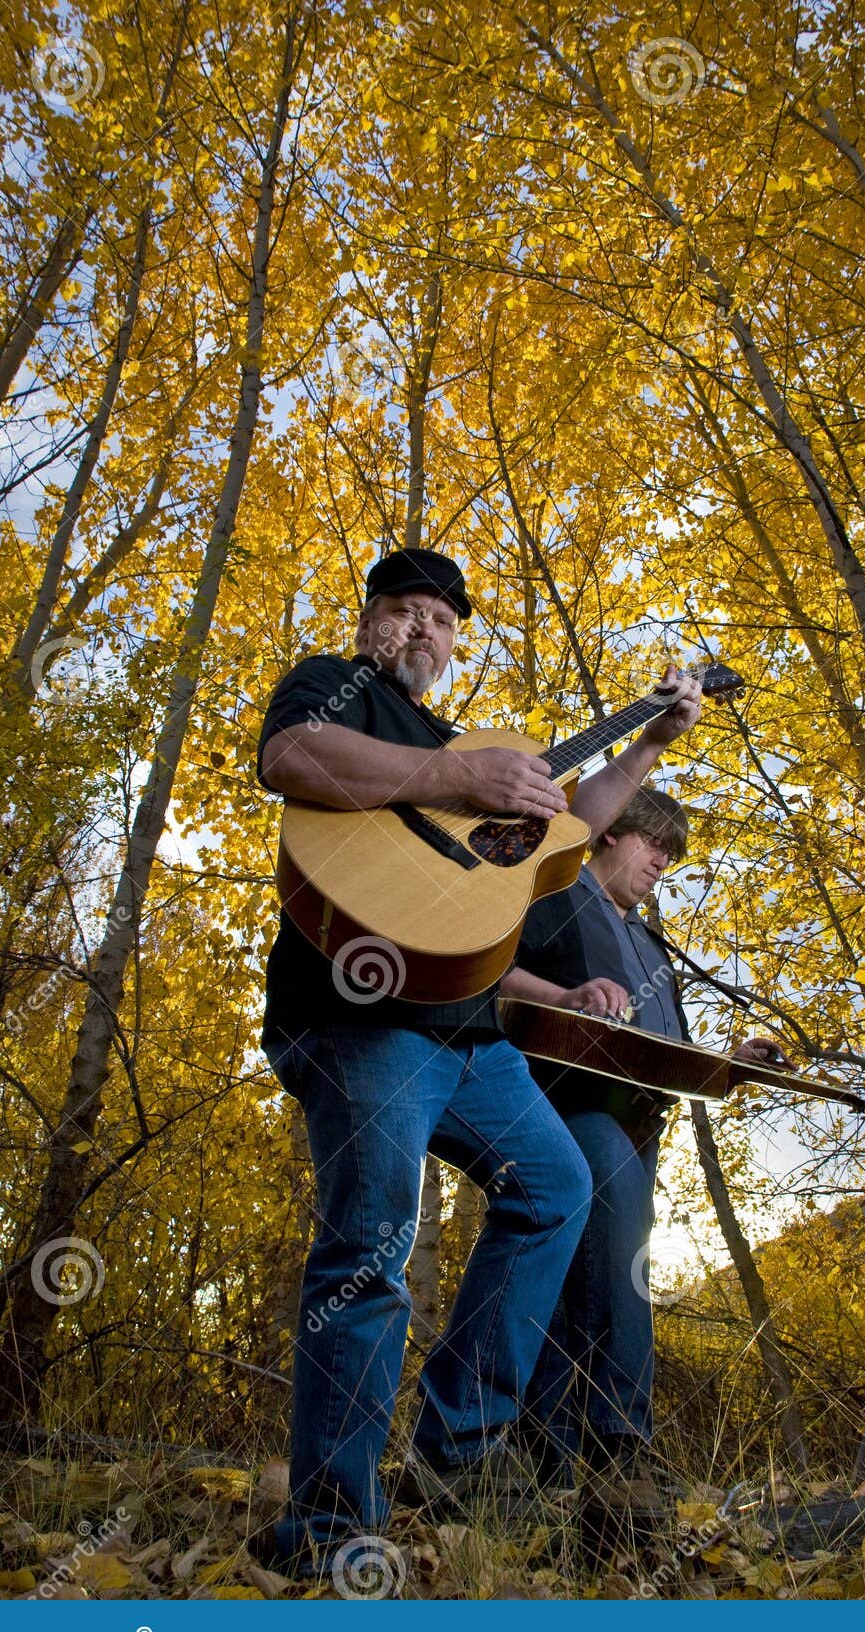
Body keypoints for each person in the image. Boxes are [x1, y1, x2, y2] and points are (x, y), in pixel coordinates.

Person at [251, 546, 702, 1577]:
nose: (422, 630)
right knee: (372, 1241)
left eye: (443, 621)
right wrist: (452, 772)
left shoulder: (474, 751)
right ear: (369, 622)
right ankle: (327, 1528)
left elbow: (560, 841)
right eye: (405, 611)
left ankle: (456, 1451)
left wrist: (648, 747)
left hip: (469, 1032)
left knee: (556, 1188)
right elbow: (292, 759)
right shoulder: (335, 689)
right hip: (357, 1011)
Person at [502, 785, 790, 1553]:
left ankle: (540, 1475)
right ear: (605, 835)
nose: (663, 859)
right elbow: (486, 973)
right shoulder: (551, 896)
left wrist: (732, 1063)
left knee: (579, 1287)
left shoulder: (653, 947)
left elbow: (673, 1062)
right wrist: (564, 995)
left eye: (673, 851)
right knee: (620, 1271)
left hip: (638, 1132)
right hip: (566, 1113)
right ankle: (621, 1455)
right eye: (651, 841)